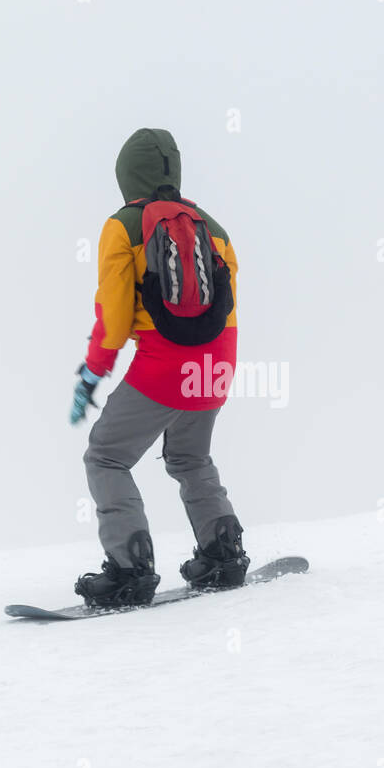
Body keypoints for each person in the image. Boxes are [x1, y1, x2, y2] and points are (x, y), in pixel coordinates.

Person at [69, 128, 249, 608]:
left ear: (127, 175)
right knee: (191, 459)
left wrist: (92, 374)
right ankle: (223, 553)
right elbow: (226, 307)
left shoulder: (124, 226)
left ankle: (130, 569)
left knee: (106, 456)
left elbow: (113, 317)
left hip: (164, 368)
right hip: (217, 365)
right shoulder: (214, 227)